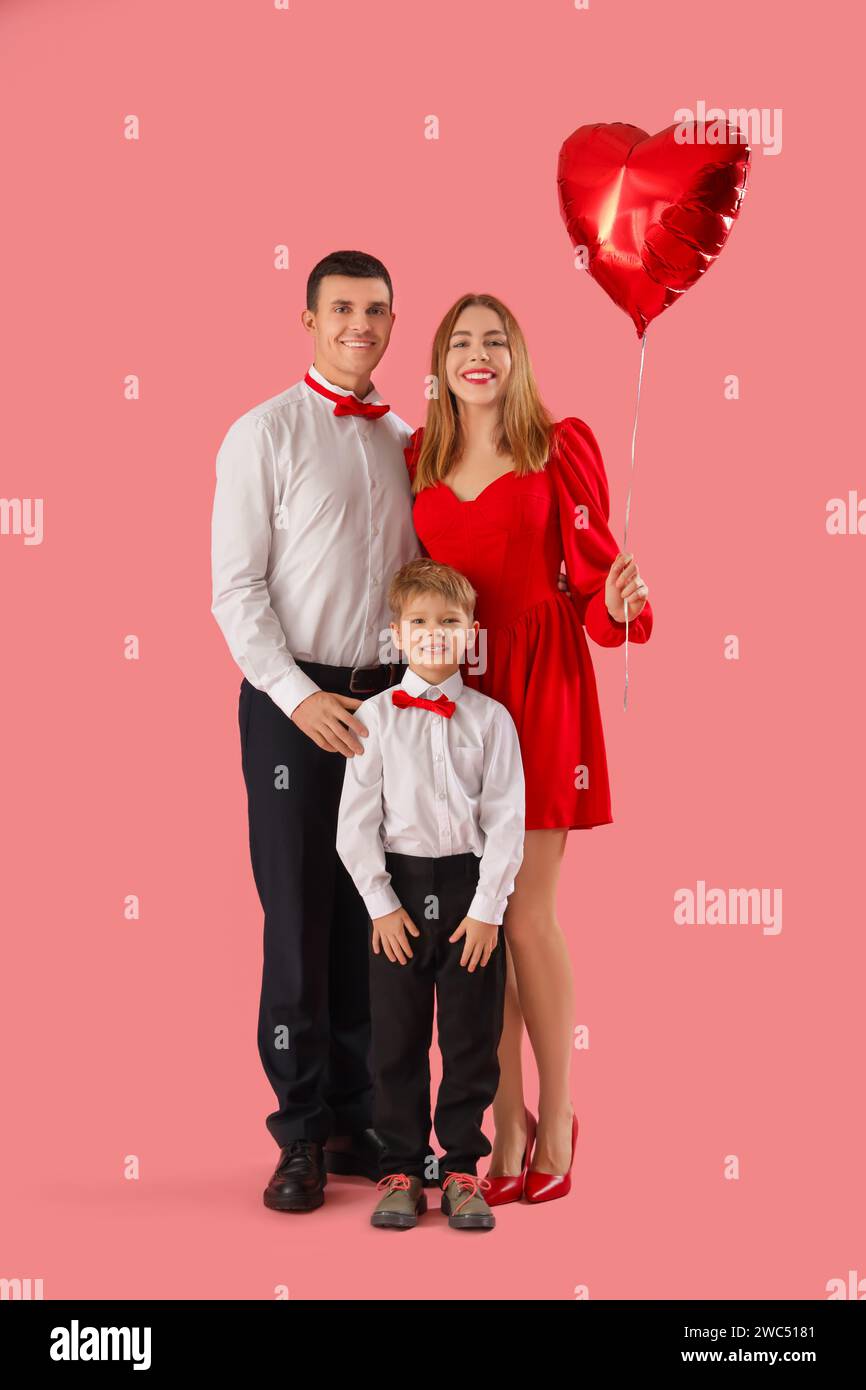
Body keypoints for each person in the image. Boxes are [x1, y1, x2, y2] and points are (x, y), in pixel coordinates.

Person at [402, 293, 654, 1204]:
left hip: (542, 686)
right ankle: (502, 1125)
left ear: (516, 357)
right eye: (461, 341)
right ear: (439, 364)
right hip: (461, 698)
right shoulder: (417, 459)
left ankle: (561, 1118)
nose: (479, 354)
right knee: (480, 925)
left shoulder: (560, 445)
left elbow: (593, 585)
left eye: (494, 340)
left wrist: (617, 609)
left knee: (524, 914)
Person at [210, 250, 420, 1211]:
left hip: (385, 710)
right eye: (342, 308)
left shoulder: (407, 441)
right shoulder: (263, 434)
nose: (360, 325)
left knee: (368, 920)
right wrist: (300, 698)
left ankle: (358, 1119)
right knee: (297, 922)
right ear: (308, 318)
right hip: (295, 708)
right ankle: (296, 1135)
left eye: (375, 310)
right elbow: (237, 593)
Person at [336, 558, 525, 1230]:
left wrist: (486, 913)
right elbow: (354, 827)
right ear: (398, 634)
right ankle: (401, 1167)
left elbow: (507, 822)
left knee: (472, 1035)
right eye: (421, 623)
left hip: (468, 892)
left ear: (471, 633)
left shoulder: (492, 721)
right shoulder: (377, 718)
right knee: (397, 1036)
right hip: (401, 894)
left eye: (450, 622)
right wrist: (382, 906)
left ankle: (463, 1169)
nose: (436, 634)